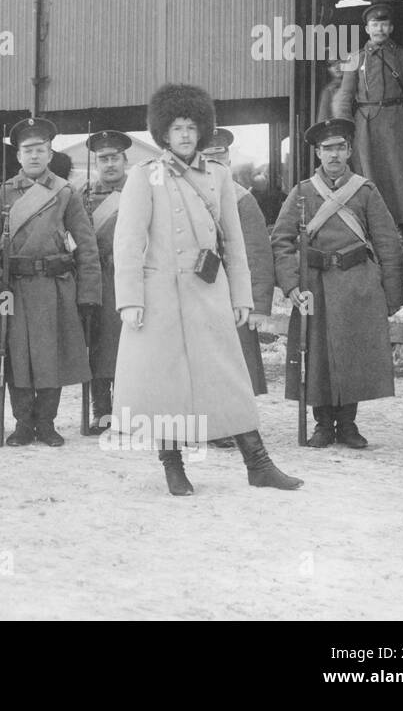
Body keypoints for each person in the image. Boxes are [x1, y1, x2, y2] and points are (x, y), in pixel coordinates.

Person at [112, 84, 302, 496]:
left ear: (202, 131)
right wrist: (129, 299)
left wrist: (242, 297)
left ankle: (258, 463)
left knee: (229, 377)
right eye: (176, 127)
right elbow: (127, 242)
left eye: (191, 126)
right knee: (165, 384)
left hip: (208, 291)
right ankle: (174, 466)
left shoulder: (217, 176)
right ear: (162, 132)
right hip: (159, 295)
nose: (184, 134)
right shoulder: (145, 176)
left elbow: (233, 241)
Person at [270, 118, 403, 449]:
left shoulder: (365, 191)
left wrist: (391, 293)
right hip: (313, 285)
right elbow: (282, 242)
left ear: (348, 151)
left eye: (340, 147)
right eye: (327, 149)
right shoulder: (301, 193)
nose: (334, 155)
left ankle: (347, 425)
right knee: (316, 358)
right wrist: (291, 287)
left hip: (357, 283)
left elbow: (387, 241)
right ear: (317, 153)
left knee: (352, 356)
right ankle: (322, 425)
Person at [0, 117, 101, 447]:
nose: (33, 156)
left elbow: (86, 246)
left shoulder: (64, 192)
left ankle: (46, 423)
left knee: (50, 357)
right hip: (13, 288)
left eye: (40, 150)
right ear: (18, 156)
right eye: (27, 150)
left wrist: (88, 293)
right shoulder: (3, 194)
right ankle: (22, 424)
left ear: (49, 153)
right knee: (16, 357)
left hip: (55, 286)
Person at [331, 3, 403, 227]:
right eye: (374, 25)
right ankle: (373, 225)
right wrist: (344, 135)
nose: (379, 30)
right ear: (367, 29)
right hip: (365, 126)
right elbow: (345, 98)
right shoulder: (354, 58)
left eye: (384, 25)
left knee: (400, 178)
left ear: (391, 28)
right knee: (368, 177)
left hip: (398, 123)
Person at [203, 128, 276, 425]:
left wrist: (258, 306)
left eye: (219, 156)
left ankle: (232, 424)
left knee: (235, 364)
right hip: (199, 293)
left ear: (229, 158)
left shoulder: (242, 199)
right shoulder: (185, 193)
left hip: (234, 296)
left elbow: (258, 254)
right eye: (207, 156)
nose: (213, 162)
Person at [80, 129, 132, 434]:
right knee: (98, 346)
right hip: (98, 279)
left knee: (132, 347)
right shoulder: (83, 194)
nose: (109, 164)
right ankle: (101, 411)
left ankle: (131, 410)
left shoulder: (141, 190)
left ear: (125, 160)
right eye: (103, 159)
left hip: (132, 279)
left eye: (114, 158)